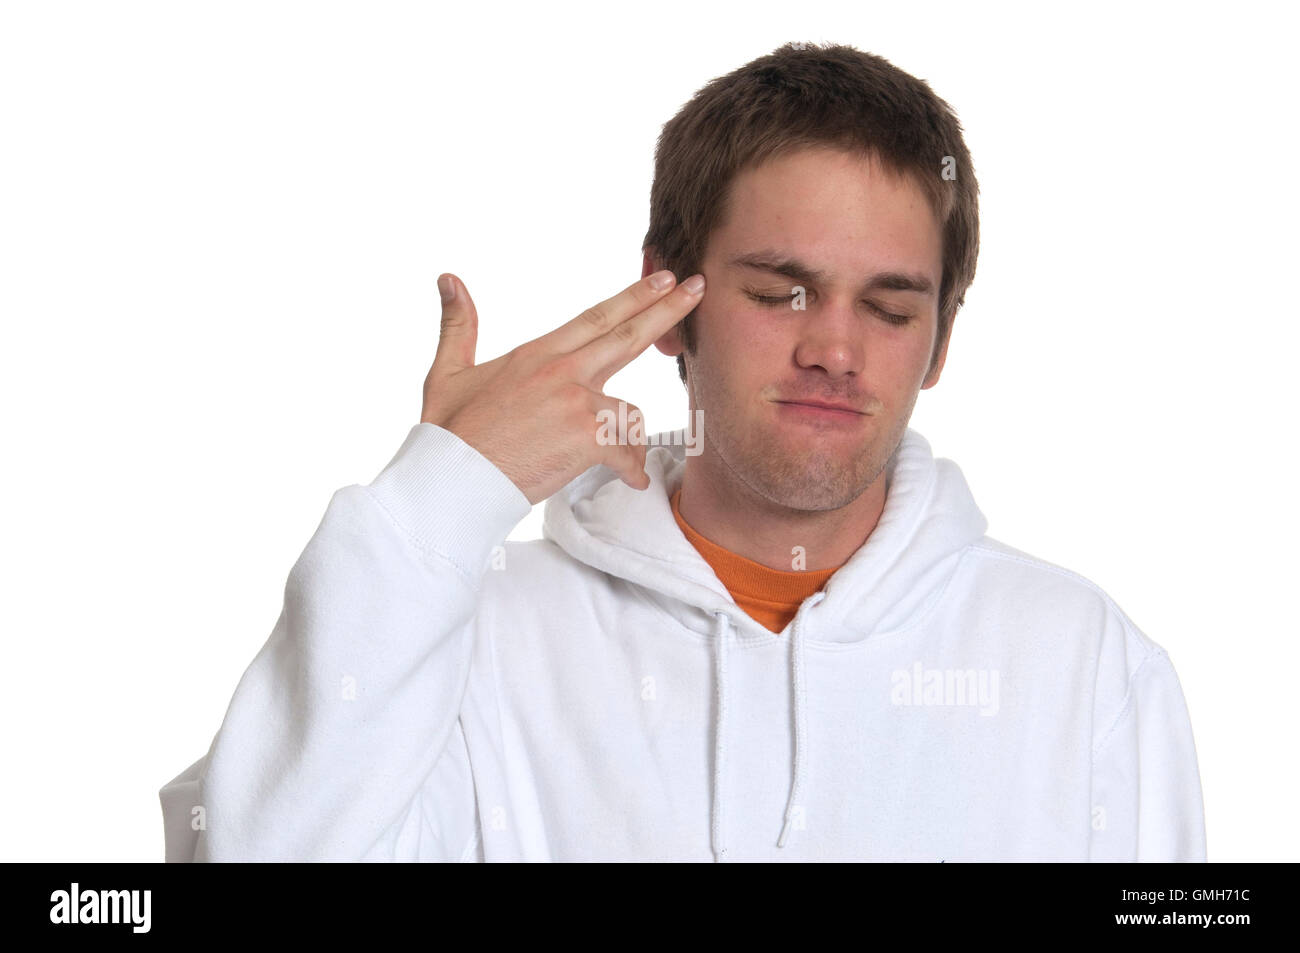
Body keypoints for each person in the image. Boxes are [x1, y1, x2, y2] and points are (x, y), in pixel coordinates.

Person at [159, 42, 1206, 862]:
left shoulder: (1085, 664)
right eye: (775, 290)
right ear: (668, 298)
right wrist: (438, 502)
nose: (834, 348)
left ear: (940, 342)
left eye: (889, 307)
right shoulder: (465, 640)